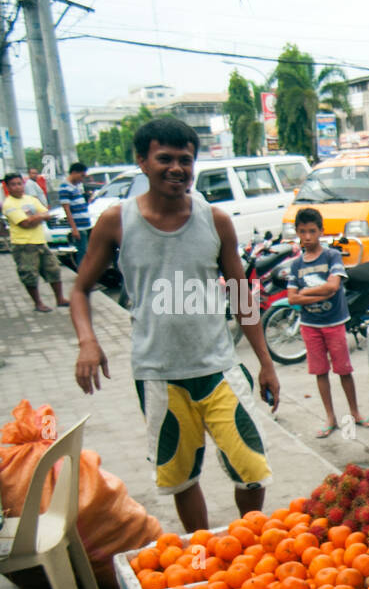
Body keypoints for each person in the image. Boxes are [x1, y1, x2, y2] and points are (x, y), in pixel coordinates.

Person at [70, 117, 281, 532]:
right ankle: (200, 553)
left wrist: (266, 362)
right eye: (164, 158)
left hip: (218, 368)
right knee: (182, 478)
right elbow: (79, 289)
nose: (176, 168)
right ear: (142, 162)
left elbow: (241, 295)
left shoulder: (215, 221)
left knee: (252, 467)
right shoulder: (116, 222)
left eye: (185, 160)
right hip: (159, 375)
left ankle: (252, 543)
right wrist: (87, 342)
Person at [286, 206, 369, 438]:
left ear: (321, 231)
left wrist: (307, 293)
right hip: (310, 326)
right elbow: (292, 297)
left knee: (344, 369)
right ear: (297, 232)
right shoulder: (296, 265)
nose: (307, 237)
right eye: (303, 231)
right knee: (320, 371)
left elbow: (333, 286)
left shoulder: (331, 256)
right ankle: (330, 417)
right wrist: (321, 293)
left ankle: (355, 412)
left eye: (312, 231)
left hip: (334, 323)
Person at [2, 171, 68, 311]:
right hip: (23, 244)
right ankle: (38, 303)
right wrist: (38, 217)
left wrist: (34, 218)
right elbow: (24, 223)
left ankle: (60, 299)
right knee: (29, 274)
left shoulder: (31, 199)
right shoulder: (9, 204)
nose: (17, 187)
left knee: (53, 269)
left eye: (19, 184)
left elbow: (46, 214)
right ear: (7, 187)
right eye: (13, 185)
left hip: (40, 241)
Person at [59, 162, 92, 268]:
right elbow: (67, 209)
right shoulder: (64, 187)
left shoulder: (75, 187)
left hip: (85, 225)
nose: (82, 179)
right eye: (81, 176)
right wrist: (74, 228)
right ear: (74, 173)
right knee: (83, 254)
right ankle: (83, 277)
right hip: (79, 227)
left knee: (88, 253)